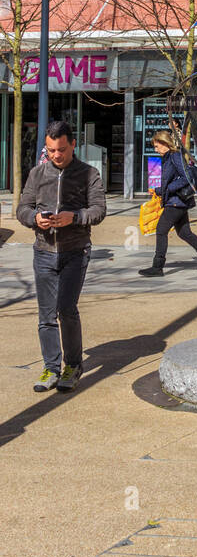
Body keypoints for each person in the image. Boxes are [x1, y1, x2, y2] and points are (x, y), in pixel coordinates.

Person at [17, 120, 106, 393]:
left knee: (66, 310)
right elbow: (22, 208)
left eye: (62, 149)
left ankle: (73, 365)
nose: (57, 155)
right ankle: (50, 368)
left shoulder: (89, 174)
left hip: (75, 251)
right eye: (51, 150)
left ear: (73, 144)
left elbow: (99, 210)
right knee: (45, 315)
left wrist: (75, 217)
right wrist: (35, 218)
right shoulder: (36, 174)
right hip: (43, 251)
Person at [138, 131, 197, 276]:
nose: (156, 150)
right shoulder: (169, 158)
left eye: (157, 146)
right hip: (176, 201)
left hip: (176, 202)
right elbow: (173, 180)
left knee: (161, 230)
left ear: (164, 144)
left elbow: (187, 178)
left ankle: (157, 267)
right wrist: (158, 190)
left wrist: (167, 189)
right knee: (185, 233)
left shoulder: (175, 156)